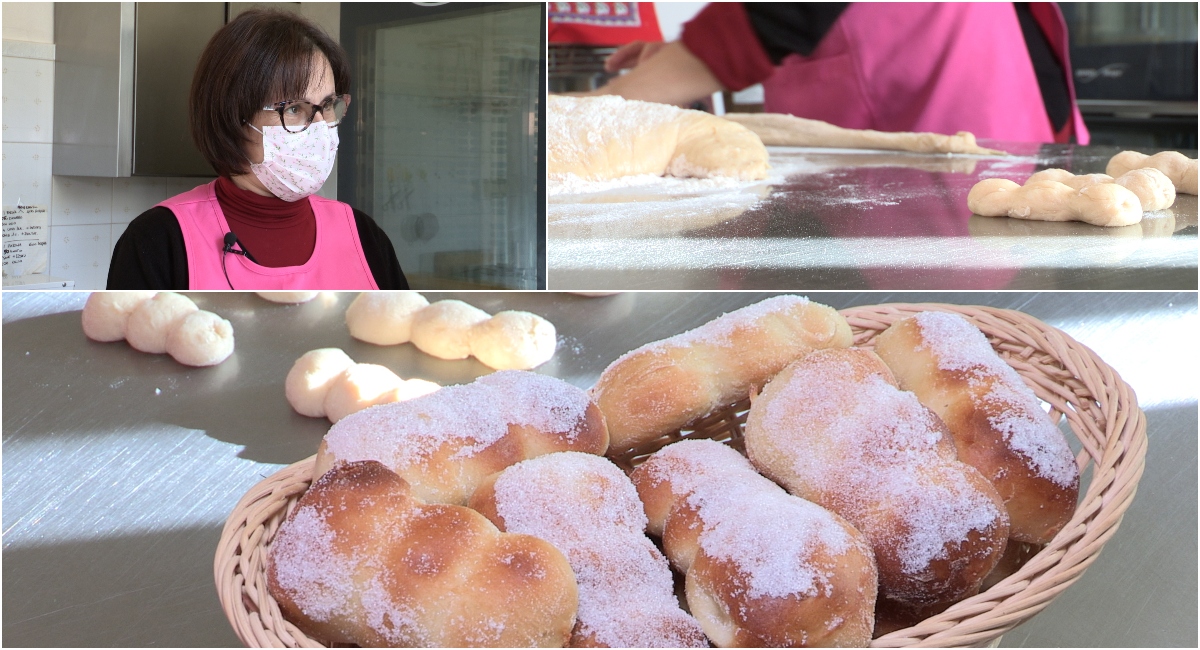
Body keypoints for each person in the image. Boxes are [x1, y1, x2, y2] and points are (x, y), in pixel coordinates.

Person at [108, 9, 408, 290]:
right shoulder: (157, 240)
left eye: (328, 105)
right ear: (233, 118)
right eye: (293, 108)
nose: (319, 127)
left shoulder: (364, 234)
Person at [594, 3, 1090, 145]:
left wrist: (600, 112)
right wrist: (680, 59)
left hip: (966, 142)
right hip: (915, 119)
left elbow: (768, 18)